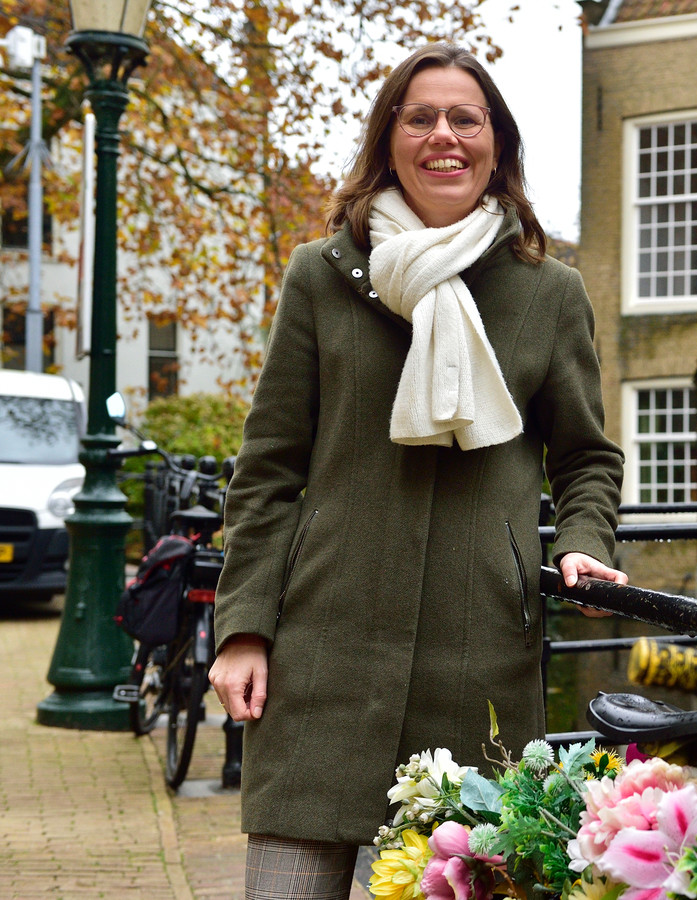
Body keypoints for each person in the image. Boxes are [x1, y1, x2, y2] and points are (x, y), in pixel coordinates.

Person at [208, 43, 627, 900]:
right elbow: (269, 470)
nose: (444, 136)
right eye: (421, 117)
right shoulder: (321, 278)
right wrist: (243, 625)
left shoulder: (548, 294)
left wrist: (582, 542)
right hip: (320, 654)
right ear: (389, 138)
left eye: (465, 119)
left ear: (496, 145)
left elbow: (584, 457)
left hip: (475, 662)